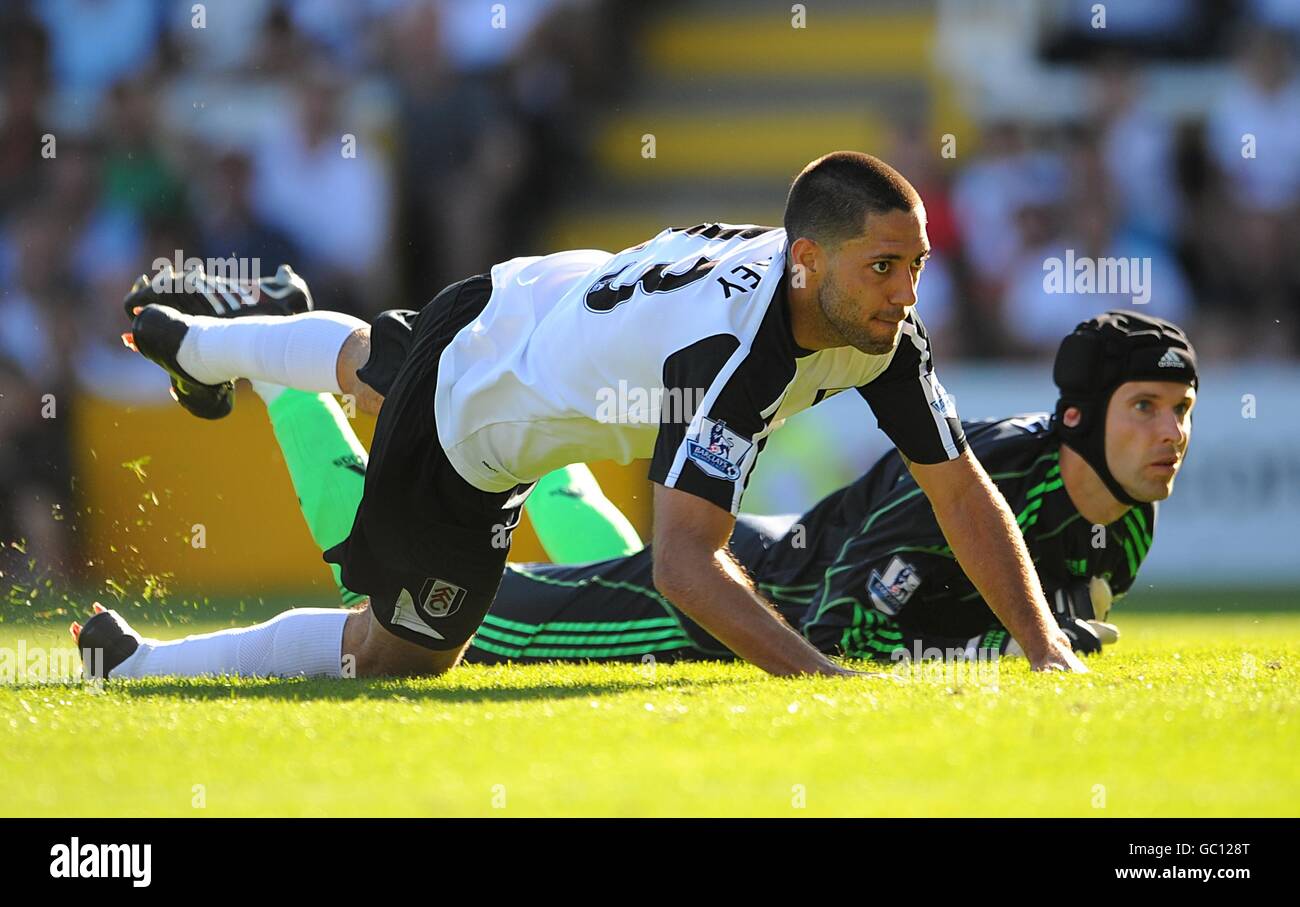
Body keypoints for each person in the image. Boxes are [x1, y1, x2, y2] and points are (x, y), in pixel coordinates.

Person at [81, 151, 1085, 678]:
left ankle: (203, 346)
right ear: (808, 261)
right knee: (397, 654)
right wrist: (819, 676)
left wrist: (1043, 649)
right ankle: (135, 661)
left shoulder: (865, 323)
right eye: (884, 266)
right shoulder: (735, 358)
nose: (906, 291)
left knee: (362, 360)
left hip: (529, 298)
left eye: (913, 265)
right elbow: (682, 564)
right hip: (477, 413)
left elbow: (960, 490)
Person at [77, 311, 1196, 677]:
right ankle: (141, 664)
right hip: (734, 595)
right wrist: (1025, 650)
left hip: (748, 542)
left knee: (553, 507)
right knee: (412, 621)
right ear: (1076, 417)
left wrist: (1047, 638)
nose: (1169, 434)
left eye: (1178, 411)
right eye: (1145, 407)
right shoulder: (970, 481)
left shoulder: (1123, 516)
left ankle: (245, 342)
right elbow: (841, 638)